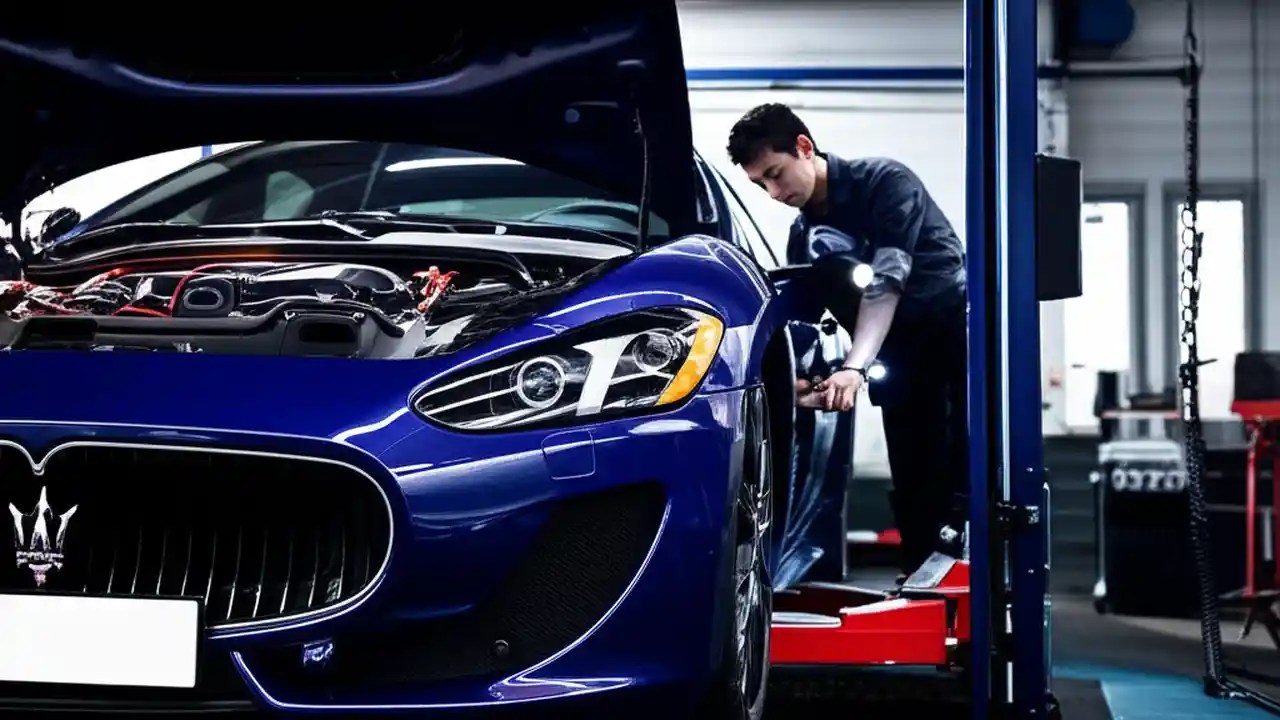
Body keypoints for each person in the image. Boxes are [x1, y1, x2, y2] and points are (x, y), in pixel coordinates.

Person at [727, 102, 969, 574]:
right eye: (760, 185)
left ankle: (966, 578)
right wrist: (797, 385)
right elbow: (805, 329)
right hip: (894, 358)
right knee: (912, 472)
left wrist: (854, 367)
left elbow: (887, 281)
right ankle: (922, 580)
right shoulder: (807, 239)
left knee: (958, 464)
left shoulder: (886, 183)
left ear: (803, 147)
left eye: (775, 174)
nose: (773, 193)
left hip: (951, 343)